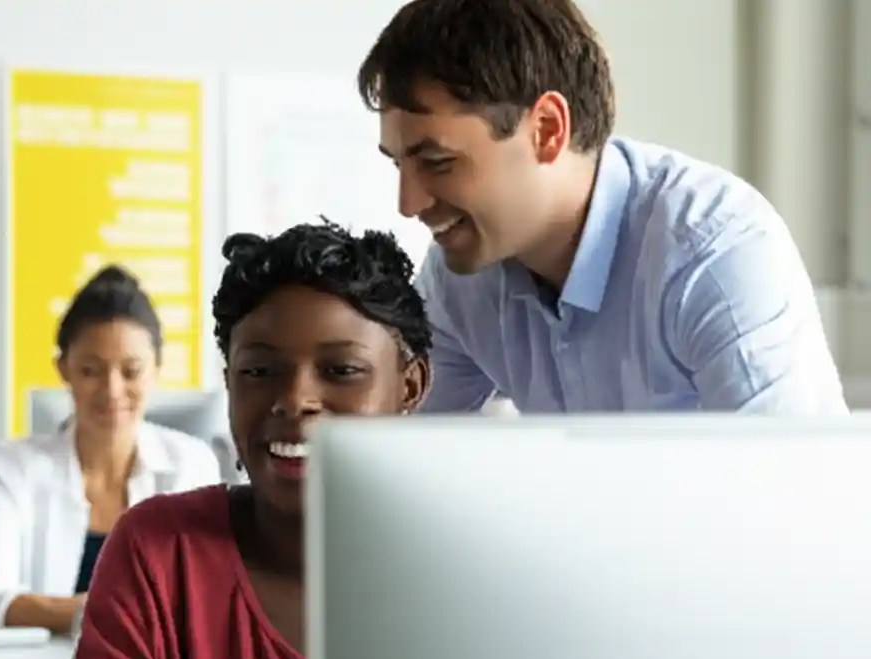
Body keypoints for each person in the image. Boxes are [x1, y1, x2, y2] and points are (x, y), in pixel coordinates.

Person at [360, 0, 846, 414]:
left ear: (547, 130)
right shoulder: (460, 279)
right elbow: (397, 458)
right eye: (399, 164)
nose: (409, 203)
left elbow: (793, 484)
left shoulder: (714, 251)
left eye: (438, 163)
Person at [61, 223, 431, 659]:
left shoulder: (473, 569)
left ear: (410, 387)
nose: (294, 400)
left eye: (341, 370)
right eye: (258, 372)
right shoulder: (160, 555)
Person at [0, 266, 220, 633]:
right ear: (63, 369)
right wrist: (104, 613)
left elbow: (204, 595)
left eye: (131, 371)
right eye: (90, 371)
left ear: (157, 368)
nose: (112, 390)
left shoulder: (192, 464)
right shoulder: (9, 466)